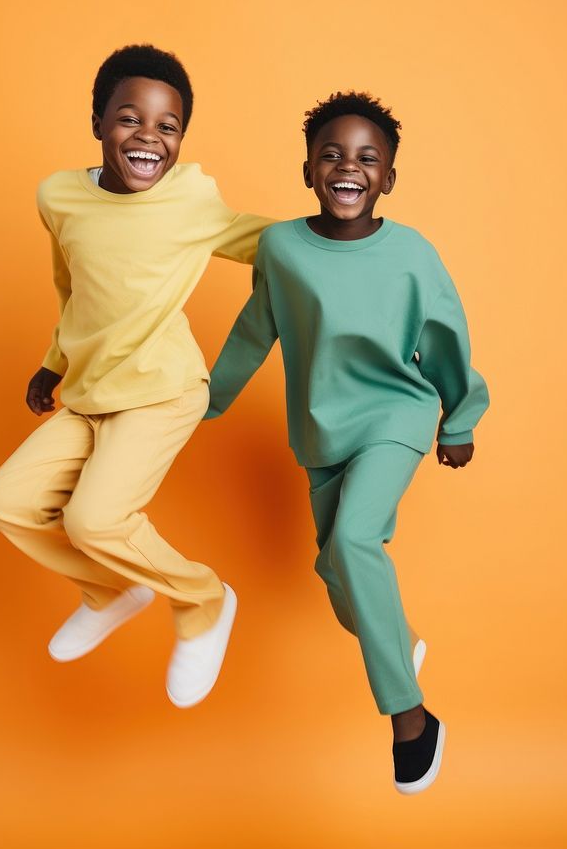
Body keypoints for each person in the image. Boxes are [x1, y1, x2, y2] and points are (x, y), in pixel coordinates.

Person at [204, 91, 489, 792]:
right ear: (307, 170)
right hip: (321, 432)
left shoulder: (411, 253)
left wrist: (458, 419)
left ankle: (410, 718)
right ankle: (397, 642)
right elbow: (252, 332)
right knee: (335, 570)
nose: (347, 168)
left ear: (387, 177)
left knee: (355, 544)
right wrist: (200, 404)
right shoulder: (281, 249)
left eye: (367, 158)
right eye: (330, 154)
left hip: (395, 416)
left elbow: (443, 335)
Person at [0, 44, 271, 709]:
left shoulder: (190, 200)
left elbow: (264, 242)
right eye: (128, 119)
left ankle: (202, 600)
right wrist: (53, 361)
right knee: (4, 503)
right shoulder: (58, 196)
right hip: (89, 395)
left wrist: (343, 237)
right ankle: (109, 589)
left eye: (167, 126)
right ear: (97, 122)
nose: (148, 137)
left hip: (162, 391)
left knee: (93, 518)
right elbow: (72, 286)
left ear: (180, 140)